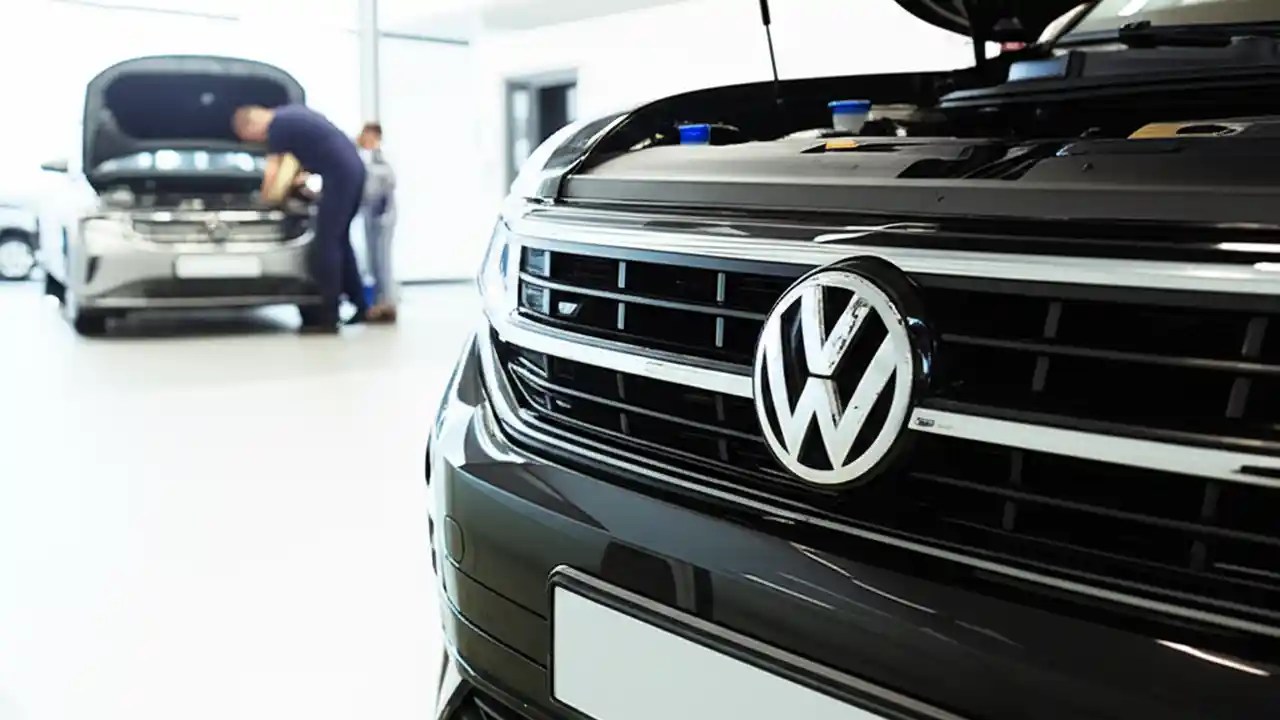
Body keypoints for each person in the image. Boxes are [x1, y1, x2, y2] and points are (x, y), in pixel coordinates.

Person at [232, 104, 368, 333]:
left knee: (325, 246)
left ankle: (327, 316)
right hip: (351, 170)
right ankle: (361, 305)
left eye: (251, 139)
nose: (257, 142)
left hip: (340, 176)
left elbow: (273, 172)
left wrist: (263, 201)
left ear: (251, 125)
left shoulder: (277, 126)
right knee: (339, 240)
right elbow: (308, 158)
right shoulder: (292, 115)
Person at [356, 122, 399, 323]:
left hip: (382, 216)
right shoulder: (365, 156)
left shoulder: (380, 160)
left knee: (382, 261)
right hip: (371, 215)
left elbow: (380, 186)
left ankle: (388, 303)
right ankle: (378, 302)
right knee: (373, 260)